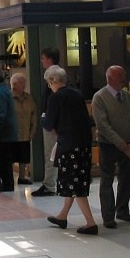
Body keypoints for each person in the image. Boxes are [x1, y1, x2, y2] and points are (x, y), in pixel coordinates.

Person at [43, 65, 97, 234]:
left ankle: (90, 222)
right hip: (83, 144)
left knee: (75, 183)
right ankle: (62, 216)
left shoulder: (56, 98)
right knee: (73, 181)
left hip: (68, 144)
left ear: (52, 81)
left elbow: (49, 123)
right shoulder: (77, 94)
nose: (49, 86)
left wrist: (44, 118)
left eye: (48, 83)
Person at [92, 65, 130, 229]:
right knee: (107, 179)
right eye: (120, 75)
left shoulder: (127, 96)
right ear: (110, 78)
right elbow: (103, 125)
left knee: (127, 177)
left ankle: (122, 209)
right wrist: (118, 141)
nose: (124, 77)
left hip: (129, 144)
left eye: (123, 74)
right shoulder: (99, 97)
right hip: (109, 145)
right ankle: (108, 216)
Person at [33, 47, 60, 197]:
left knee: (51, 154)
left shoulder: (53, 76)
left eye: (43, 58)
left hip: (52, 124)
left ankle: (49, 185)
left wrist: (51, 123)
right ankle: (52, 183)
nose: (42, 61)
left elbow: (52, 105)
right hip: (51, 122)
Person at [10, 72, 37, 185]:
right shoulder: (8, 97)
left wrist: (32, 130)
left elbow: (34, 114)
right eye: (21, 83)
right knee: (10, 156)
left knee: (24, 156)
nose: (24, 85)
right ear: (14, 84)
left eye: (24, 82)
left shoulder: (28, 97)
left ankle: (22, 177)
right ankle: (9, 177)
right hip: (12, 134)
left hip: (25, 132)